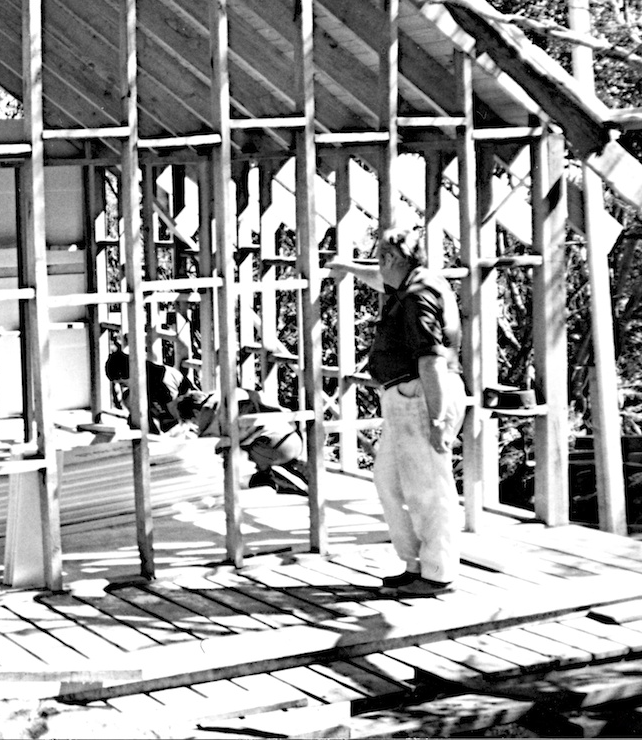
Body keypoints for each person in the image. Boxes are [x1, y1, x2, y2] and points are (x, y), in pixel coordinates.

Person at [328, 227, 465, 597]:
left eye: (378, 258)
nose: (377, 267)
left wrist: (438, 420)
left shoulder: (417, 297)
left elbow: (431, 360)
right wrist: (348, 267)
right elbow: (378, 279)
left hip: (421, 396)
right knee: (388, 480)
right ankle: (415, 563)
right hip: (407, 397)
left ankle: (438, 573)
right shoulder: (415, 281)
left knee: (428, 488)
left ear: (391, 258)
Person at [171, 388, 308, 494]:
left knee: (229, 454)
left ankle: (273, 478)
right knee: (242, 440)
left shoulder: (208, 410)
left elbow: (210, 444)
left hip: (271, 446)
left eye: (193, 422)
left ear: (195, 413)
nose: (196, 425)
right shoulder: (227, 392)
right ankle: (288, 468)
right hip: (293, 438)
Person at [104, 350, 198, 434]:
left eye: (123, 384)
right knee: (128, 397)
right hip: (166, 411)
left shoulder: (160, 381)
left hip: (186, 417)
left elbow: (176, 415)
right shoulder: (144, 374)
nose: (123, 387)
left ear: (127, 375)